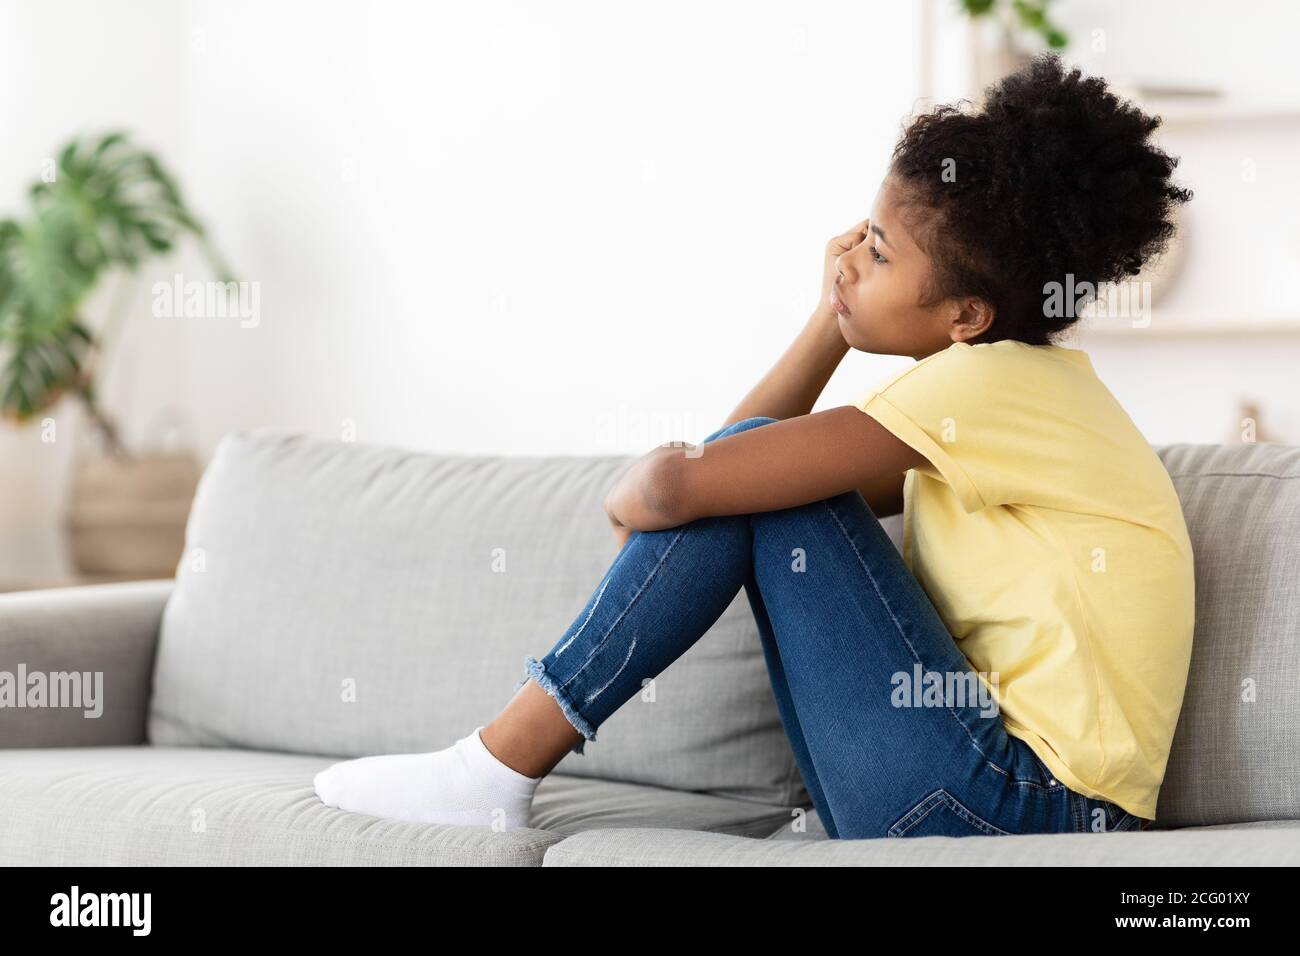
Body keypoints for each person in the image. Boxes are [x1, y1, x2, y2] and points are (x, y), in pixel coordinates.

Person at [314, 54, 1195, 840]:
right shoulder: (999, 394)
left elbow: (685, 484)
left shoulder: (995, 389)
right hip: (972, 794)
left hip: (1027, 809)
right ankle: (494, 767)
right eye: (861, 235)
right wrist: (831, 323)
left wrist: (649, 493)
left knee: (752, 473)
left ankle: (495, 766)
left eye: (879, 256)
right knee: (759, 476)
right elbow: (731, 478)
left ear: (967, 317)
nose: (848, 260)